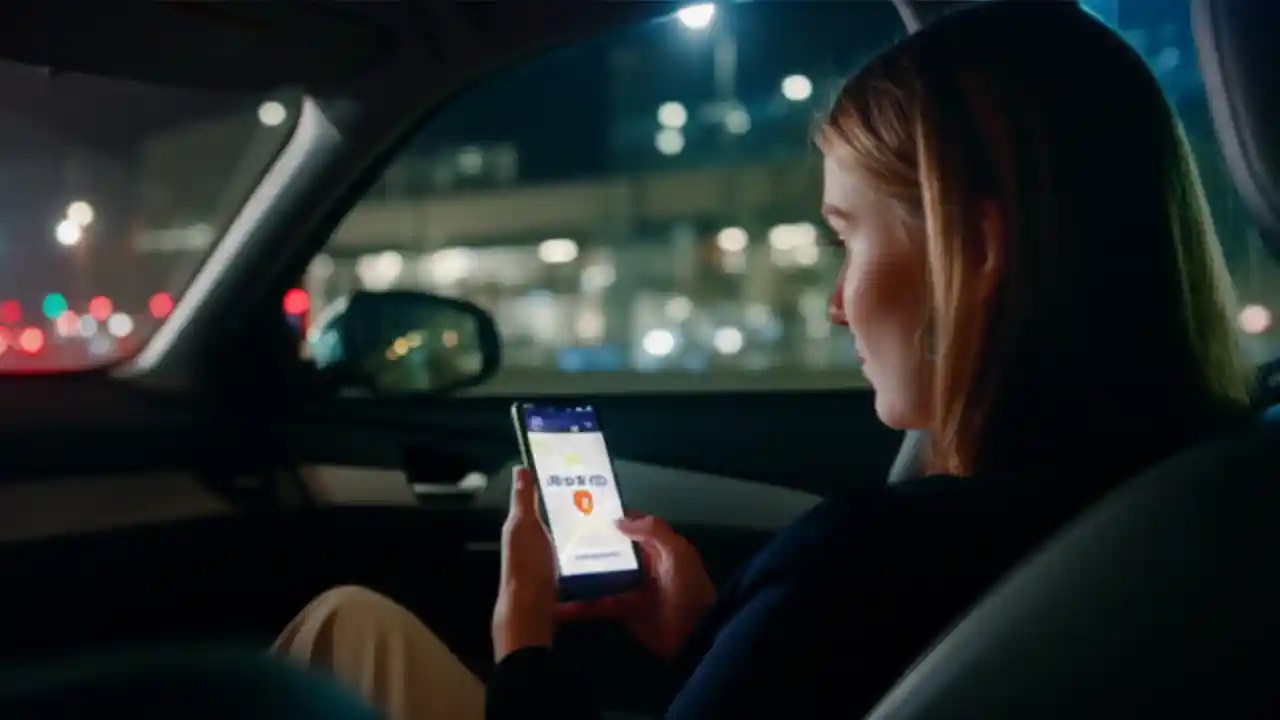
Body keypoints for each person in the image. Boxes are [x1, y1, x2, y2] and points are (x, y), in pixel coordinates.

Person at [274, 3, 1255, 718]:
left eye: (844, 238)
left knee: (334, 633)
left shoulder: (861, 565)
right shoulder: (1202, 510)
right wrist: (717, 635)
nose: (834, 303)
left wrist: (522, 646)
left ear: (979, 251)